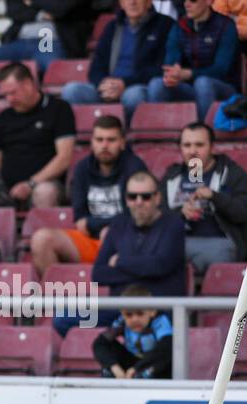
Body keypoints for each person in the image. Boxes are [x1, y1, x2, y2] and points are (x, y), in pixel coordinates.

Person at [54, 170, 185, 335]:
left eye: (146, 196)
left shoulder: (173, 225)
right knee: (63, 318)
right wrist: (145, 270)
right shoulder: (118, 224)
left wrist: (121, 262)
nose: (139, 202)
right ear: (126, 200)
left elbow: (160, 266)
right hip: (119, 308)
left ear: (157, 198)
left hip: (156, 310)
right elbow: (99, 274)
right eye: (133, 196)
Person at [32, 114, 147, 276]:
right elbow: (80, 219)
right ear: (92, 142)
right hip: (90, 240)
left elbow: (138, 215)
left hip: (126, 242)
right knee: (41, 239)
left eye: (111, 140)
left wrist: (97, 225)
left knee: (111, 234)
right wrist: (97, 225)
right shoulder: (82, 169)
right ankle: (57, 299)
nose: (104, 145)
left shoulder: (134, 167)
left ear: (122, 143)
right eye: (99, 140)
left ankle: (114, 298)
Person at [0, 62, 75, 211]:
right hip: (6, 187)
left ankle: (42, 234)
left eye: (13, 93)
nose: (9, 99)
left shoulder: (58, 109)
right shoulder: (5, 116)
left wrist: (30, 183)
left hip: (43, 183)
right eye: (5, 94)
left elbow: (64, 158)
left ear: (28, 84)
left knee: (45, 193)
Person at [61, 0, 173, 119]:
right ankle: (92, 135)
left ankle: (128, 135)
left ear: (149, 2)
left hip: (138, 85)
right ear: (121, 3)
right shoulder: (112, 26)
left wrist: (124, 83)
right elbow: (96, 66)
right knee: (71, 90)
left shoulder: (165, 25)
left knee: (133, 97)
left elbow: (161, 68)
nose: (133, 2)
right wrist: (103, 84)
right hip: (109, 86)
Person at [159, 121, 247, 271]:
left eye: (199, 145)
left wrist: (214, 196)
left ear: (212, 148)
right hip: (179, 242)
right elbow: (157, 216)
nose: (192, 151)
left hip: (220, 242)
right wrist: (181, 212)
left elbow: (243, 213)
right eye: (187, 145)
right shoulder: (172, 176)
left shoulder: (232, 173)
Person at [148, 0, 240, 122]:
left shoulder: (226, 26)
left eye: (193, 0)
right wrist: (172, 75)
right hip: (190, 86)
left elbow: (222, 70)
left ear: (208, 1)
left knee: (203, 83)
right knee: (157, 84)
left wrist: (189, 74)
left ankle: (204, 131)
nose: (186, 4)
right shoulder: (179, 26)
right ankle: (159, 135)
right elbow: (170, 62)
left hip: (224, 88)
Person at [92, 284, 173, 378]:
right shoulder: (122, 321)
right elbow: (99, 343)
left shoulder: (160, 320)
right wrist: (114, 367)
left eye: (140, 313)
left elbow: (166, 347)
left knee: (167, 351)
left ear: (152, 312)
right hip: (132, 362)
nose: (134, 319)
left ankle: (144, 376)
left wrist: (137, 368)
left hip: (154, 364)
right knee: (108, 345)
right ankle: (114, 379)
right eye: (129, 315)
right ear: (122, 313)